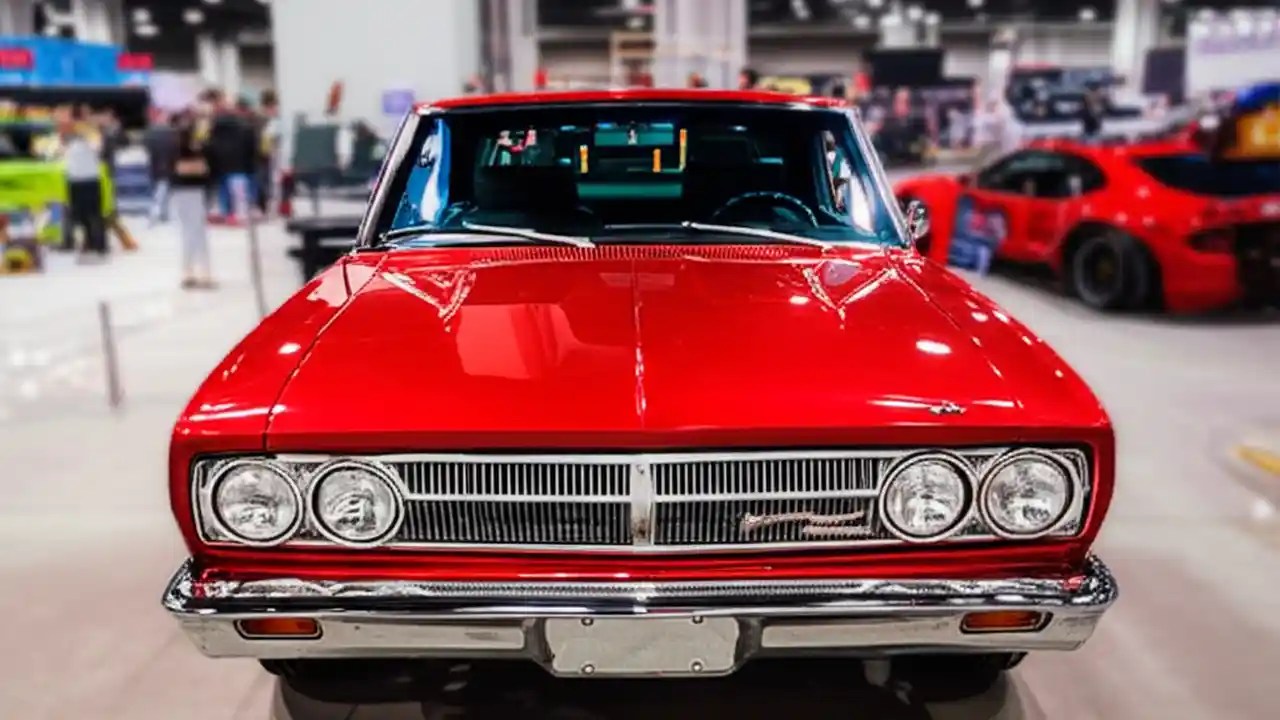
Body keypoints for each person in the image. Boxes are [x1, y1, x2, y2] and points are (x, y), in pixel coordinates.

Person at [171, 110, 216, 289]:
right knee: (195, 232)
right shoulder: (189, 145)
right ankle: (199, 271)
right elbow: (199, 168)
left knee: (191, 232)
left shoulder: (178, 144)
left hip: (185, 190)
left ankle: (190, 270)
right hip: (192, 190)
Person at [59, 107, 107, 261]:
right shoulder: (67, 136)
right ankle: (85, 244)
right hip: (75, 179)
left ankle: (98, 245)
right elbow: (61, 149)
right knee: (78, 215)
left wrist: (85, 129)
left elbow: (97, 145)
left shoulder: (91, 132)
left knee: (93, 214)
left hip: (89, 178)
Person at [144, 110, 179, 225]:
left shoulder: (150, 133)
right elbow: (176, 149)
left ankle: (163, 213)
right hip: (168, 165)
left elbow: (147, 148)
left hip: (155, 164)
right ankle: (156, 212)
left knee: (160, 188)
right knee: (163, 190)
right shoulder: (173, 133)